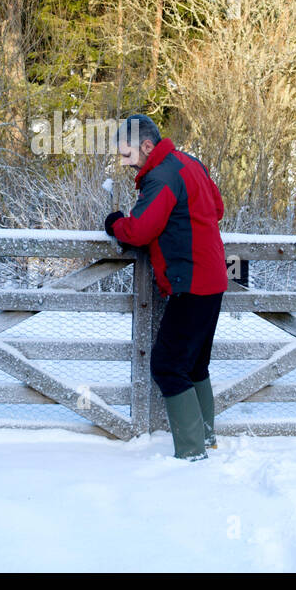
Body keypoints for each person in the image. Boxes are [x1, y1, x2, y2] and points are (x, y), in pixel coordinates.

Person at [102, 114, 227, 461]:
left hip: (191, 281)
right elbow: (216, 208)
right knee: (194, 365)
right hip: (212, 277)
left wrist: (115, 224)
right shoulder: (188, 162)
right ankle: (206, 439)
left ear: (146, 145)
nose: (124, 162)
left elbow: (139, 231)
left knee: (167, 365)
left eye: (127, 154)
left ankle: (191, 452)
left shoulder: (161, 176)